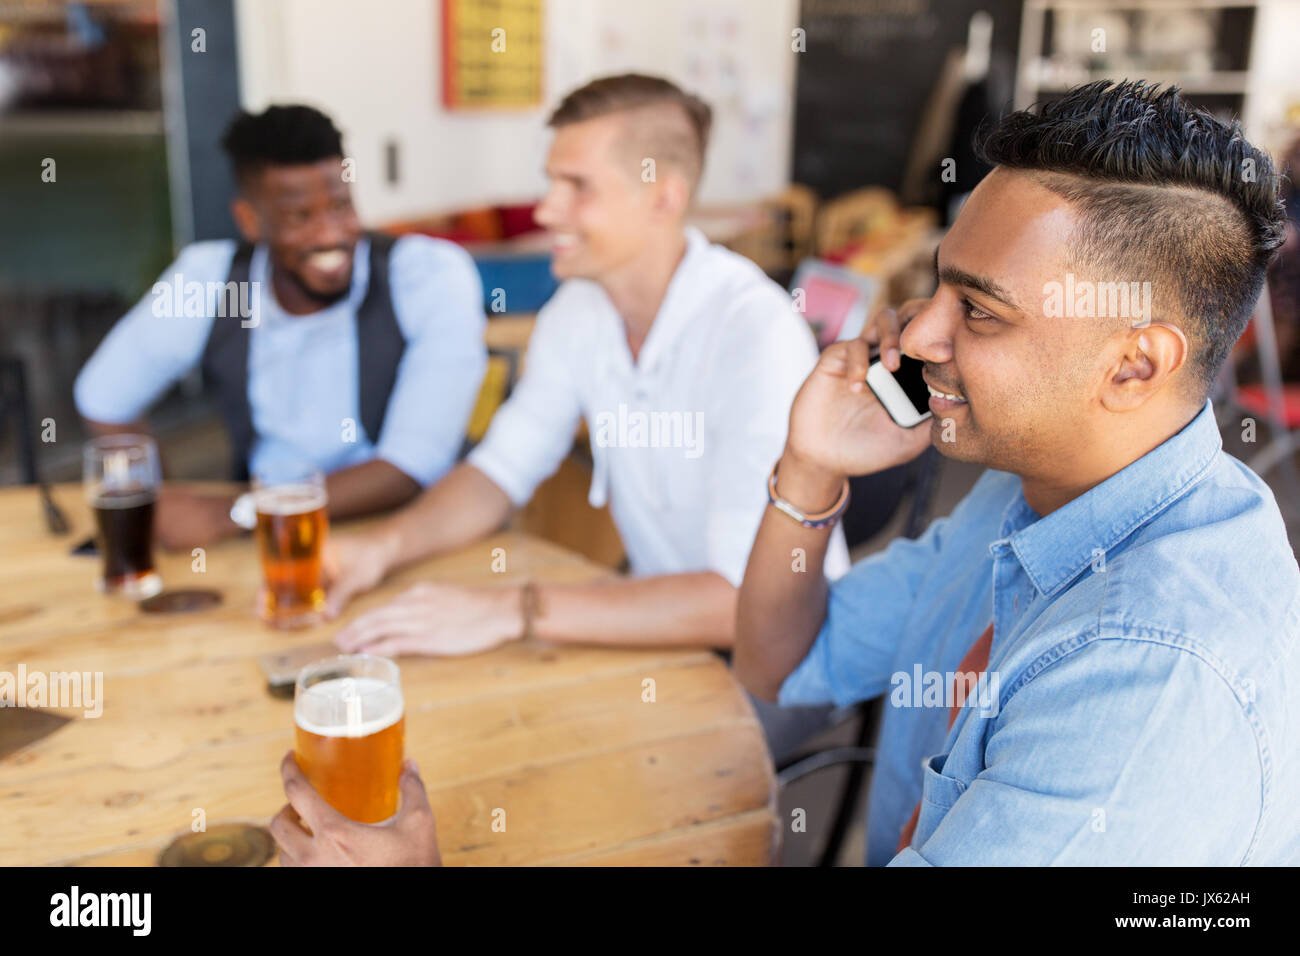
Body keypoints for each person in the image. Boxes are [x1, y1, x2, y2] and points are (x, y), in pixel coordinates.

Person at [735, 80, 1300, 865]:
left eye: (979, 310)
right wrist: (811, 468)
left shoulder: (1151, 675)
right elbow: (782, 663)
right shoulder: (1024, 489)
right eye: (939, 287)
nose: (917, 336)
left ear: (1135, 366)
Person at [322, 74, 850, 762]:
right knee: (482, 725)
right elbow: (499, 471)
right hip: (664, 624)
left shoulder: (755, 332)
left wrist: (512, 609)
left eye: (577, 186)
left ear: (663, 197)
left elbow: (742, 601)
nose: (546, 210)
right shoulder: (578, 310)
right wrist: (382, 548)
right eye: (551, 182)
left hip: (783, 658)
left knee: (591, 766)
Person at [74, 104, 487, 549]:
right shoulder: (216, 284)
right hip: (264, 541)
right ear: (250, 221)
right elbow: (105, 397)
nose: (330, 236)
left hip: (407, 535)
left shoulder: (422, 276)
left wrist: (233, 513)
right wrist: (165, 505)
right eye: (300, 217)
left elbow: (412, 465)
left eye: (341, 206)